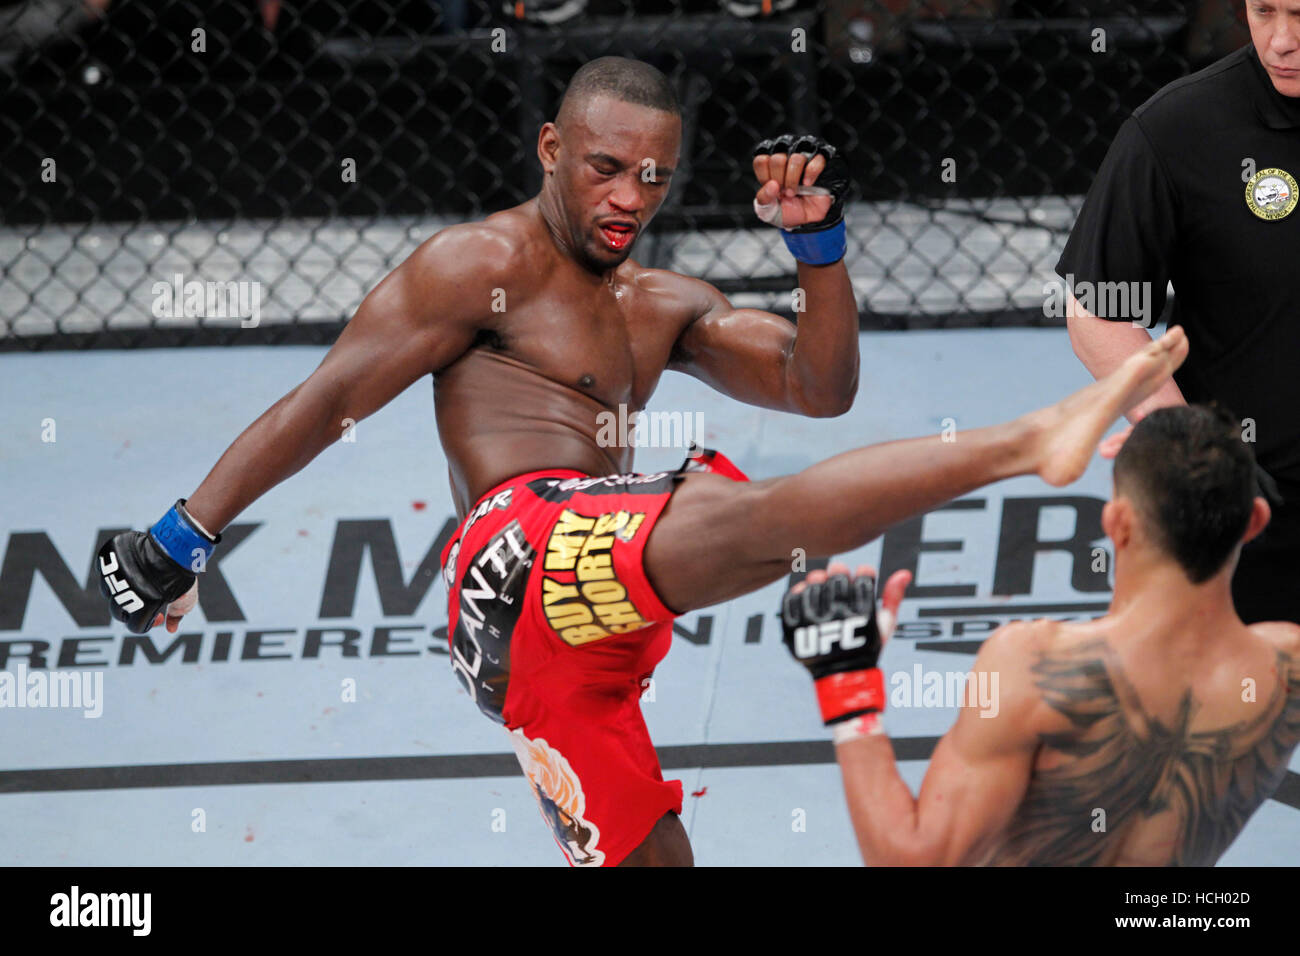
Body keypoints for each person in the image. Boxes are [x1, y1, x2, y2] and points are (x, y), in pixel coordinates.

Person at [95, 54, 1188, 867]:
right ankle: (1023, 440)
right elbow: (327, 399)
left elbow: (819, 386)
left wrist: (817, 249)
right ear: (550, 150)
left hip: (592, 637)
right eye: (607, 169)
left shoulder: (660, 303)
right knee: (746, 510)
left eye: (653, 178)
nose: (629, 198)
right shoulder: (476, 264)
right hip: (515, 564)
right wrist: (178, 540)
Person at [781, 404, 1300, 865]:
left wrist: (846, 682)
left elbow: (915, 861)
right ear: (1254, 521)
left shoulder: (1034, 663)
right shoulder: (1287, 667)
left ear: (1116, 524)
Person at [1060, 0, 1300, 624]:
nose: (1279, 41)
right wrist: (1191, 443)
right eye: (1263, 10)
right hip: (1252, 505)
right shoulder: (1181, 127)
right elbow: (1100, 308)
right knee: (1231, 712)